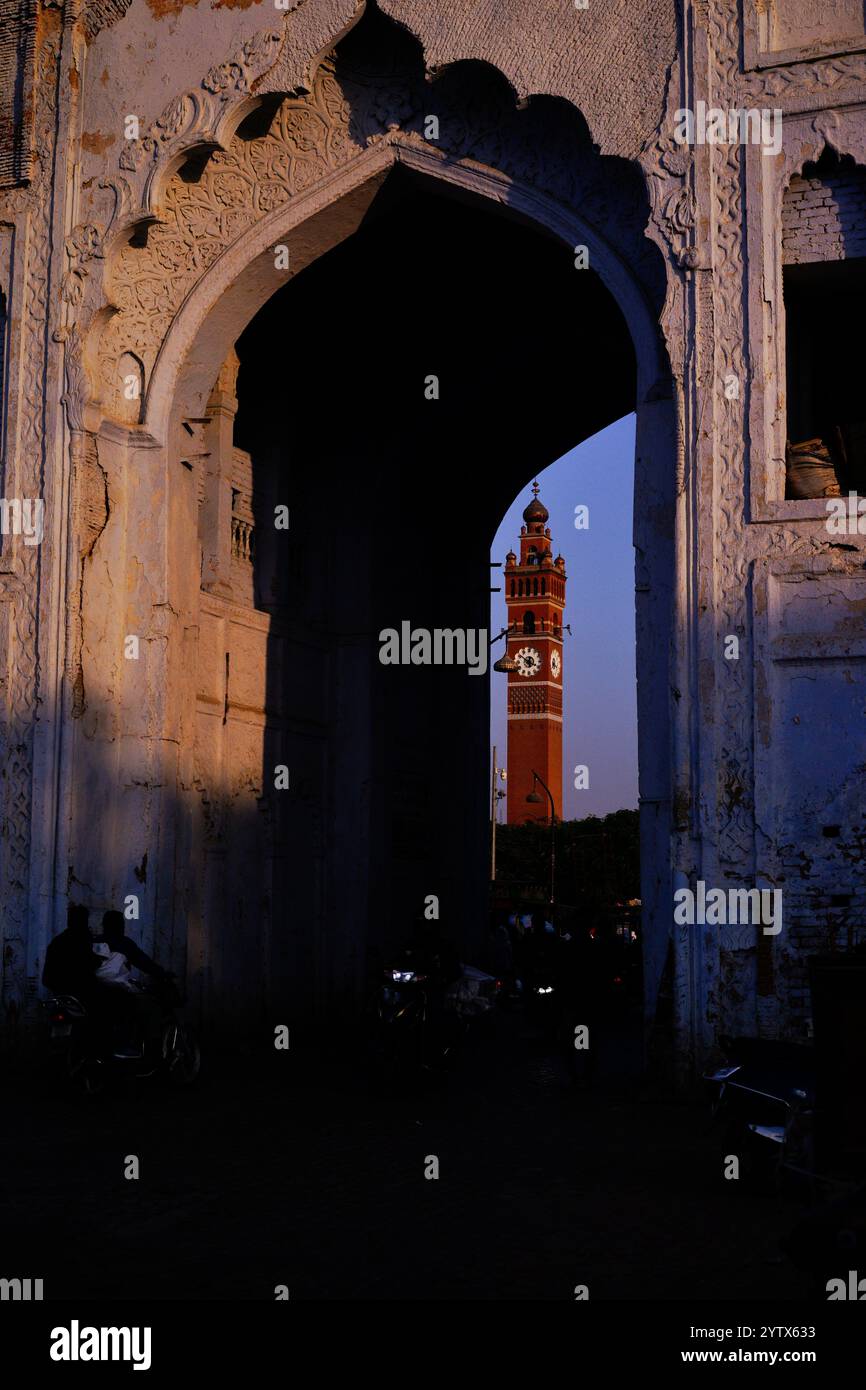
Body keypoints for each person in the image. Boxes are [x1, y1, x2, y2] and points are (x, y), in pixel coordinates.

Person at [91, 910, 169, 1064]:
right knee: (134, 1009)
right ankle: (124, 1046)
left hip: (93, 990)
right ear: (121, 925)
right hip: (115, 991)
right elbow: (144, 963)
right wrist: (162, 973)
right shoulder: (124, 943)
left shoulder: (94, 942)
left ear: (104, 925)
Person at [42, 903, 98, 1000]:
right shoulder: (84, 941)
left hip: (60, 993)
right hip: (81, 994)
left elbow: (47, 979)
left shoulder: (57, 941)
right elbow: (90, 964)